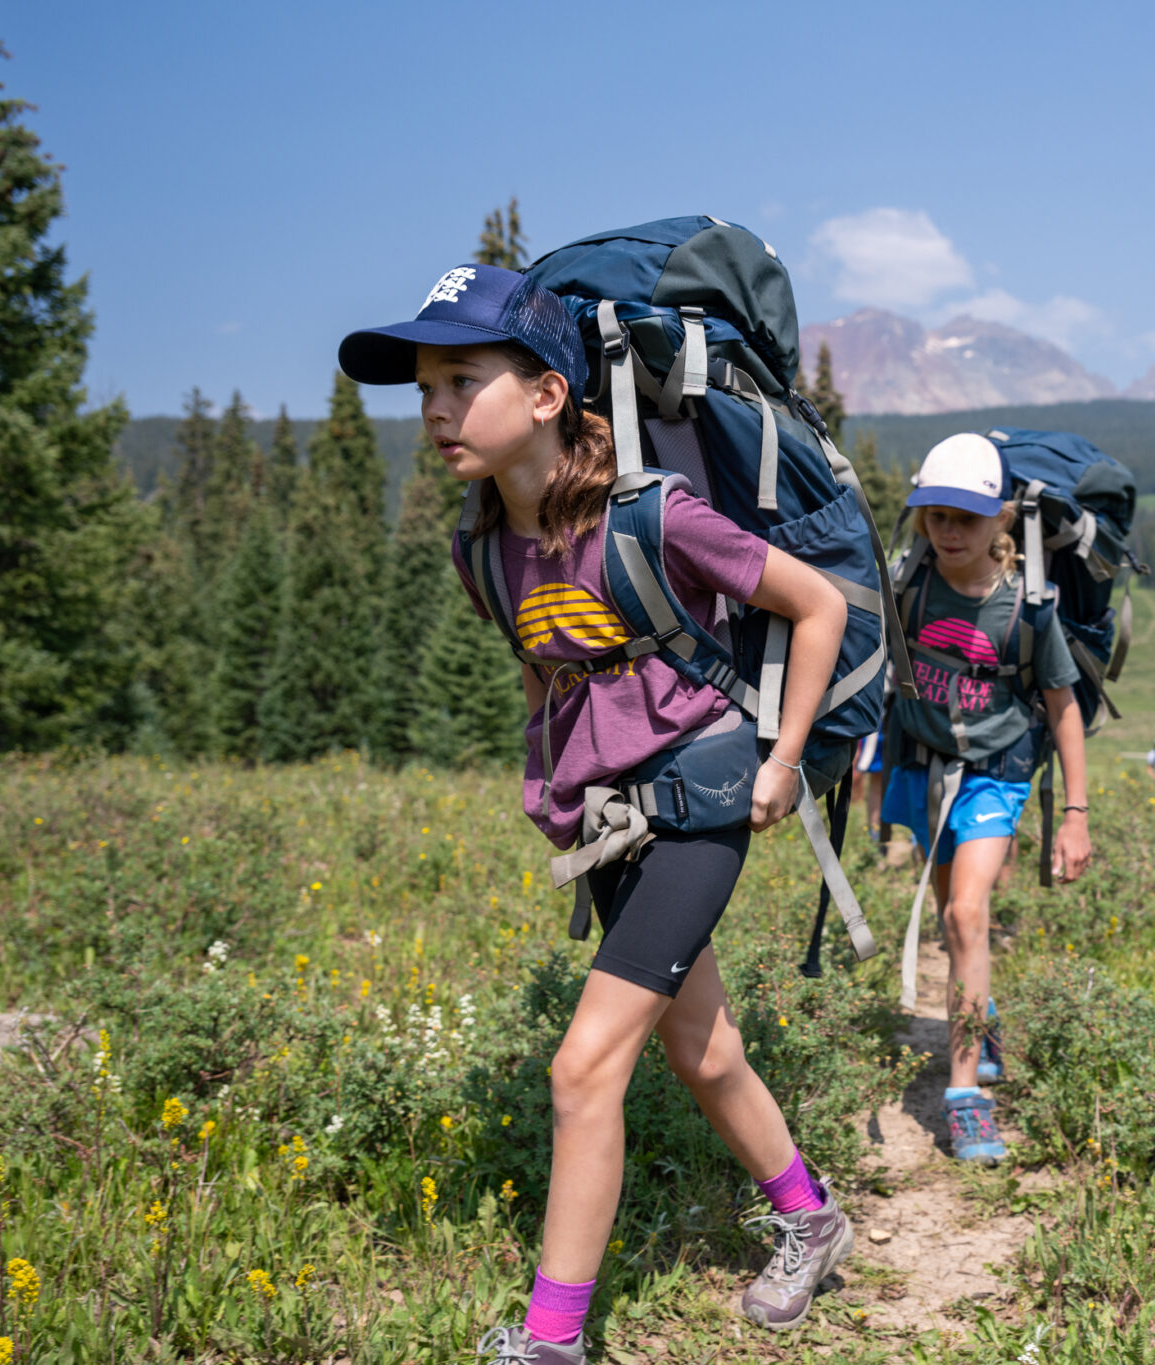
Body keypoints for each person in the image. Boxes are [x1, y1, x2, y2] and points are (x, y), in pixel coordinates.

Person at [338, 264, 855, 1363]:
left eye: (459, 379)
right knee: (703, 1049)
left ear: (543, 395)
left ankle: (551, 1342)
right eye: (423, 388)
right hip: (608, 815)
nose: (433, 409)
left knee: (582, 1071)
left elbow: (816, 604)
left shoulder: (652, 516)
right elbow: (547, 669)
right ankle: (812, 1219)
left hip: (701, 794)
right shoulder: (483, 550)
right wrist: (547, 776)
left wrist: (784, 758)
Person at [882, 433, 1093, 1163]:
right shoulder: (907, 583)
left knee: (968, 912)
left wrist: (1075, 814)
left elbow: (1062, 705)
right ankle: (983, 1011)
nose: (949, 530)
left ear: (1000, 520)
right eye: (936, 514)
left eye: (966, 517)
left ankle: (965, 1095)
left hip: (995, 774)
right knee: (950, 916)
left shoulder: (1027, 610)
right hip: (921, 765)